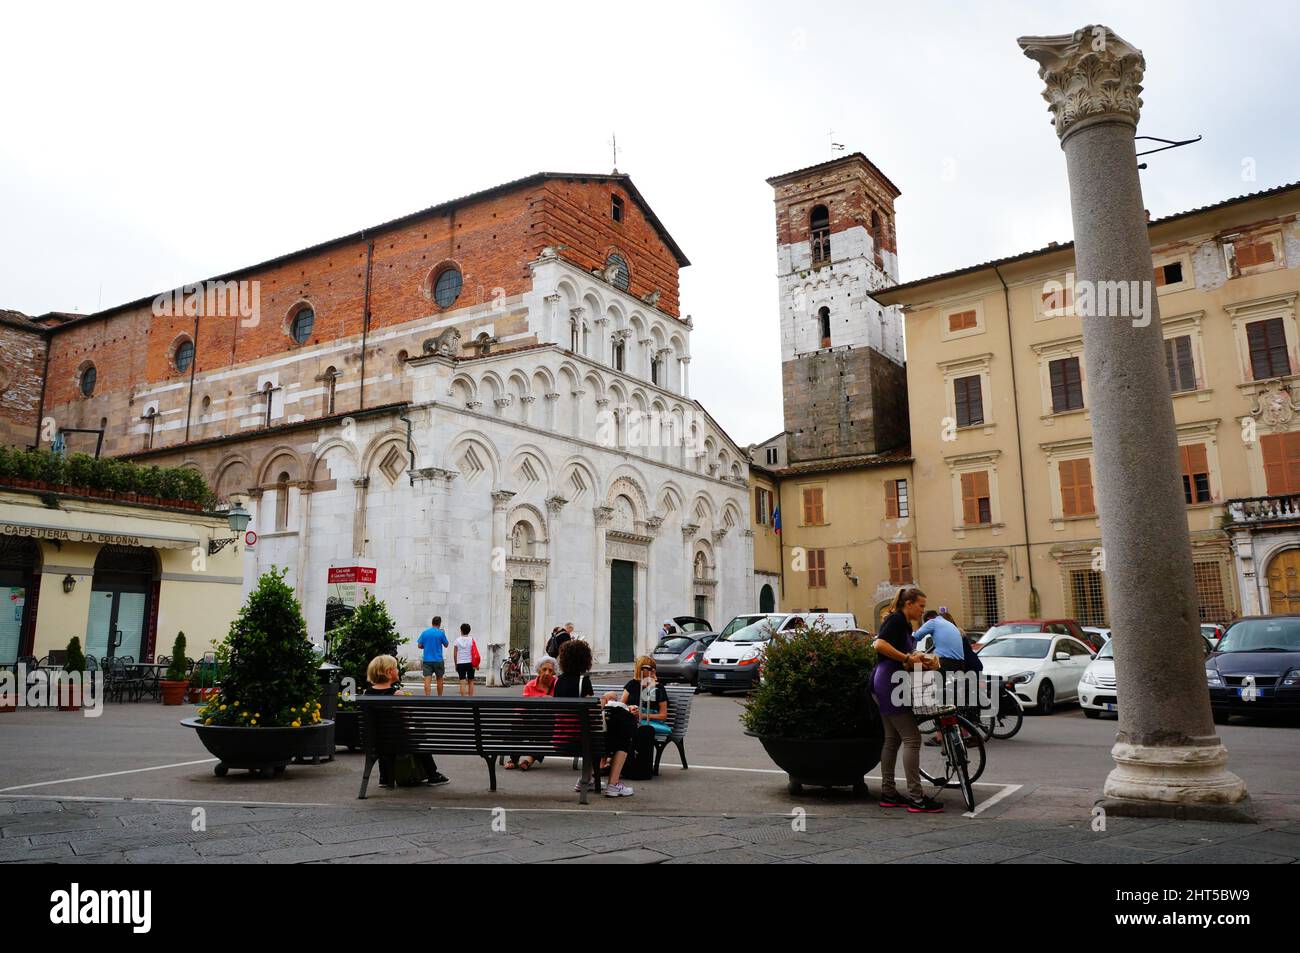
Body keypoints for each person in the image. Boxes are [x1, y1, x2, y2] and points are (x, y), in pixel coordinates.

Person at [870, 587, 943, 813]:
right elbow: (879, 644)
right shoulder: (896, 620)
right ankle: (916, 797)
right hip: (890, 683)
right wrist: (908, 657)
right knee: (912, 739)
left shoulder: (902, 622)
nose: (922, 610)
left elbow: (900, 658)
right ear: (908, 603)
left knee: (892, 740)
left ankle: (889, 793)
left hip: (885, 680)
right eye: (920, 605)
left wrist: (918, 660)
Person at [364, 655, 450, 787]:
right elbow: (404, 721)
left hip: (376, 741)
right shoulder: (396, 695)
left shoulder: (367, 694)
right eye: (396, 668)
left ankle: (385, 777)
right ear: (388, 672)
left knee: (385, 740)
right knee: (417, 737)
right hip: (398, 741)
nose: (398, 670)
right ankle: (433, 774)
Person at [554, 639, 597, 793]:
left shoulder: (558, 681)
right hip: (579, 739)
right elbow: (592, 712)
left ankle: (589, 778)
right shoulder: (583, 681)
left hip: (559, 737)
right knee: (598, 736)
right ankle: (587, 778)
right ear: (586, 659)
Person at [505, 656, 556, 771]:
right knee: (516, 722)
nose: (547, 673)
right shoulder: (530, 685)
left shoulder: (557, 686)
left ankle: (530, 759)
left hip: (547, 725)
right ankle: (514, 759)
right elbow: (522, 709)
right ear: (539, 670)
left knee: (547, 724)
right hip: (530, 723)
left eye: (550, 670)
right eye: (544, 669)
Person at [417, 616, 449, 697]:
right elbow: (446, 645)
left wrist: (426, 646)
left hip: (427, 660)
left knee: (427, 680)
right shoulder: (441, 633)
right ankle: (439, 697)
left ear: (432, 622)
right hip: (438, 660)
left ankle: (428, 697)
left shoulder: (425, 633)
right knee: (439, 679)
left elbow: (419, 645)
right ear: (439, 623)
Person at [453, 623, 477, 696]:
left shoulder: (457, 640)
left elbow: (455, 654)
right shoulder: (471, 640)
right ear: (469, 631)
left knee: (462, 681)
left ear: (461, 630)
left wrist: (456, 664)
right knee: (471, 681)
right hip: (470, 662)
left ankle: (463, 699)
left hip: (460, 663)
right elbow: (474, 652)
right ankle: (470, 698)